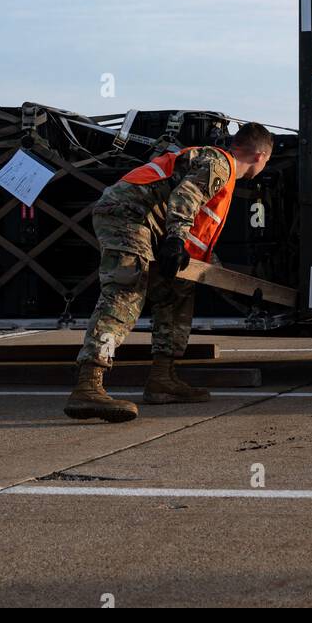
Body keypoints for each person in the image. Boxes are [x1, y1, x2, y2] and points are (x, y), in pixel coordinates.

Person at [64, 122, 274, 422]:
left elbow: (198, 230)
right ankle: (88, 384)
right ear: (261, 156)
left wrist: (211, 267)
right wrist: (175, 240)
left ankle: (163, 378)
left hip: (150, 223)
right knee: (127, 290)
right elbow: (185, 198)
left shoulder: (221, 177)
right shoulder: (220, 163)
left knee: (176, 293)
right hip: (127, 214)